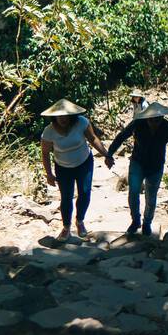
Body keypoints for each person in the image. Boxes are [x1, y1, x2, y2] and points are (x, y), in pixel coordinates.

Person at [105, 100, 168, 237]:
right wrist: (110, 153)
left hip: (156, 166)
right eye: (151, 120)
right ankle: (135, 220)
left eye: (157, 120)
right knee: (133, 192)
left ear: (162, 118)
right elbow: (122, 136)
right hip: (137, 162)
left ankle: (147, 223)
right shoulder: (138, 124)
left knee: (151, 198)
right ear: (147, 118)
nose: (154, 123)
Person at [39, 98, 110, 241]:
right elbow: (45, 153)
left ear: (71, 115)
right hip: (63, 167)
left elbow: (93, 138)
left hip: (84, 162)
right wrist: (49, 174)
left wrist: (106, 154)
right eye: (59, 116)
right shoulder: (49, 132)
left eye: (65, 115)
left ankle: (80, 221)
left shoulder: (82, 122)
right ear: (54, 117)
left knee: (84, 192)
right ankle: (66, 227)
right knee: (66, 197)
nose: (63, 119)